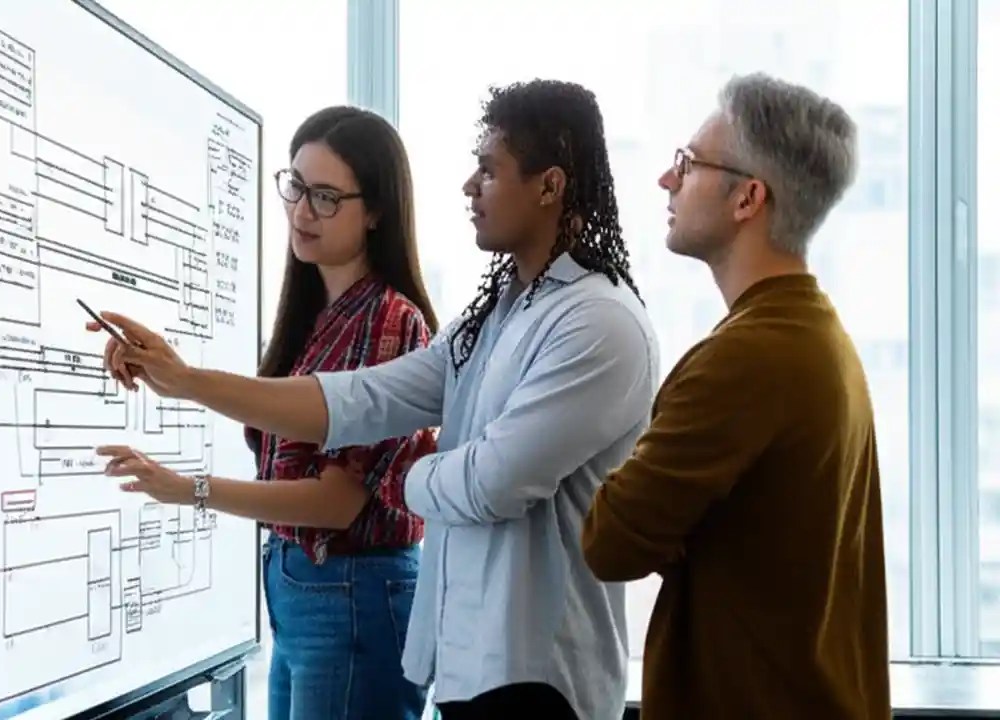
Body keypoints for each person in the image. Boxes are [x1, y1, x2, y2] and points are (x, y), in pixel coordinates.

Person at [91, 80, 658, 720]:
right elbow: (358, 400)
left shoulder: (597, 321)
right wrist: (184, 379)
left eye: (488, 170)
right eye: (296, 189)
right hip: (473, 662)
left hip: (542, 674)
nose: (470, 187)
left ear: (549, 186)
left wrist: (408, 479)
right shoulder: (500, 316)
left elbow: (491, 484)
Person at [97, 105, 440, 720]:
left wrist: (189, 488)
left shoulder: (390, 319)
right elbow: (284, 439)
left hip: (351, 591)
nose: (302, 211)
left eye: (327, 197)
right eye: (296, 187)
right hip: (307, 591)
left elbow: (334, 501)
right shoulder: (314, 319)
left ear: (377, 211)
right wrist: (168, 376)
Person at [581, 72, 892, 719]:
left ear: (748, 198)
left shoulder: (745, 358)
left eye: (688, 163)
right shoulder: (816, 333)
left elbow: (609, 541)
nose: (667, 180)